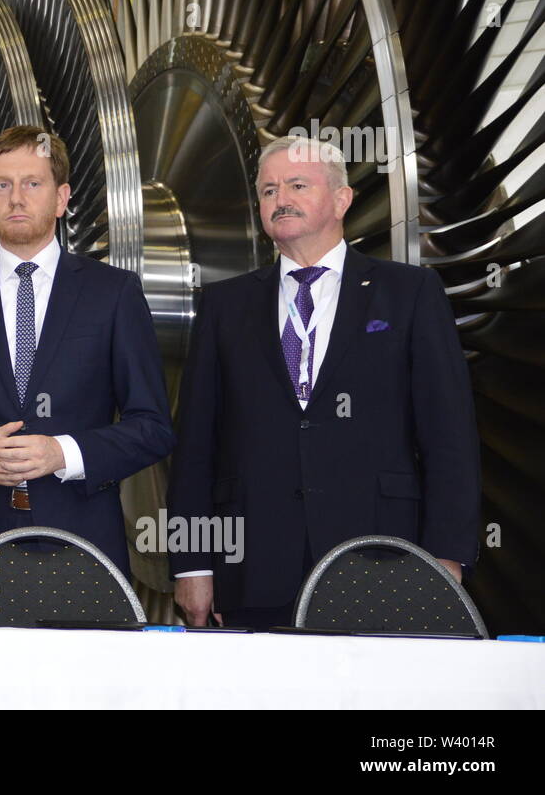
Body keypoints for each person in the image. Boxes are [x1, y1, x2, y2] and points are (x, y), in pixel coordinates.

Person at [169, 135, 480, 630]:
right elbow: (195, 448)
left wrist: (447, 556)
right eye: (268, 191)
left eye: (297, 185)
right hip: (252, 569)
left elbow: (449, 437)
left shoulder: (410, 294)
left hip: (384, 561)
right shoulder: (224, 306)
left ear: (342, 200)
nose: (280, 199)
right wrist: (192, 562)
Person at [0, 125, 175, 620]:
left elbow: (152, 427)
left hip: (85, 555)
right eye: (2, 185)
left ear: (62, 197)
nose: (16, 198)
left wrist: (61, 452)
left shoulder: (114, 295)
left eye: (33, 183)